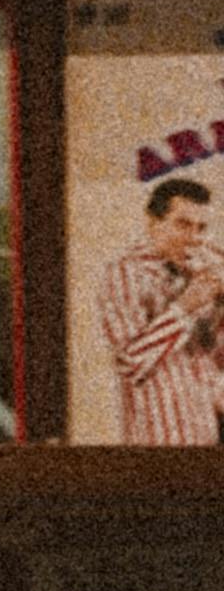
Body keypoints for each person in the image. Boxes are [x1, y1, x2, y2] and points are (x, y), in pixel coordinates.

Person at [99, 167, 224, 445]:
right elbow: (130, 362)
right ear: (153, 222)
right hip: (161, 439)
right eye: (183, 224)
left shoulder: (202, 267)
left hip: (207, 433)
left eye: (201, 228)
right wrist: (185, 307)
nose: (194, 237)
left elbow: (215, 357)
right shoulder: (125, 272)